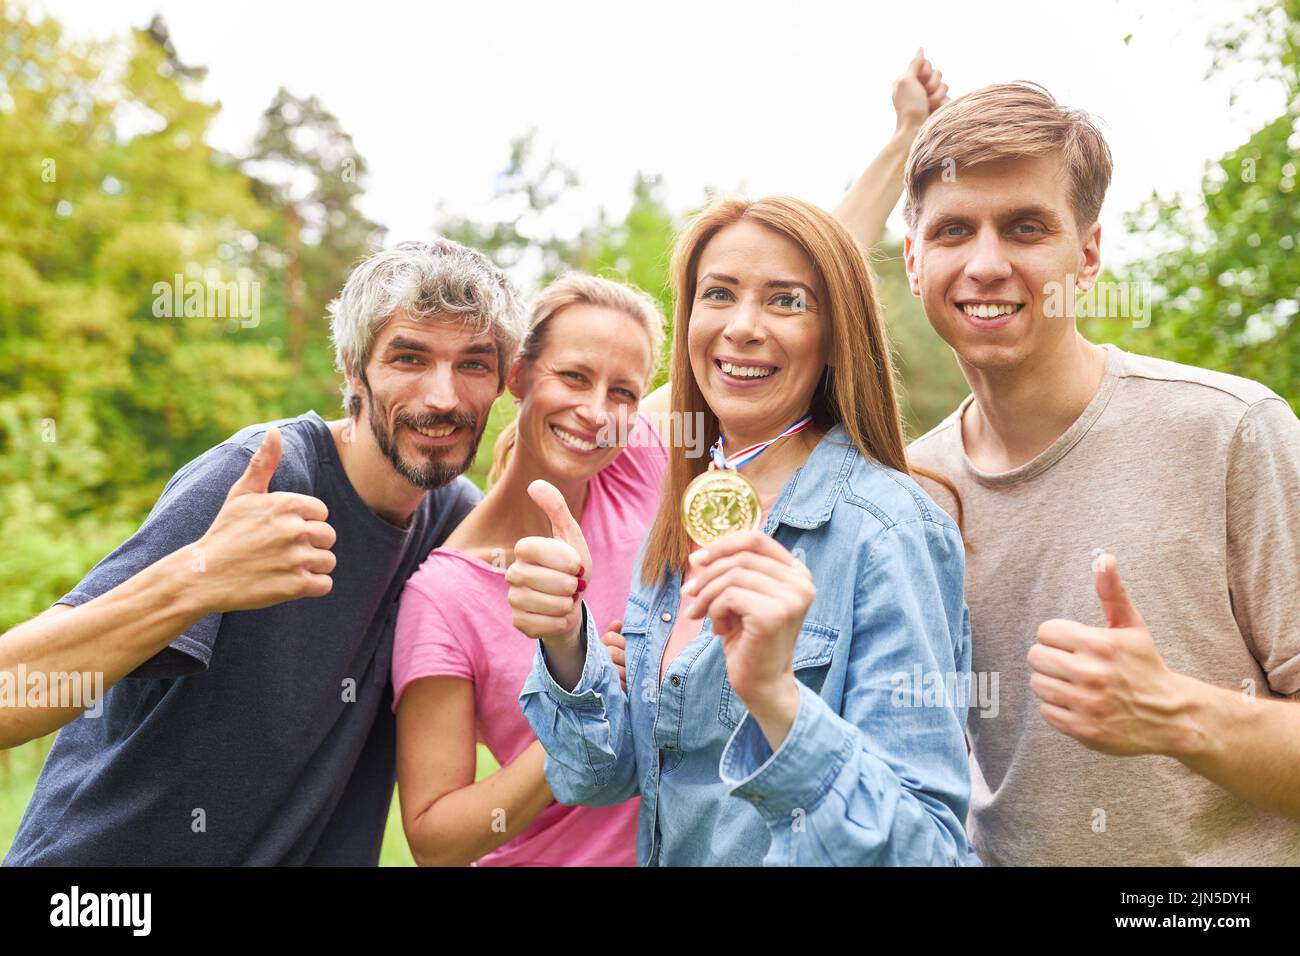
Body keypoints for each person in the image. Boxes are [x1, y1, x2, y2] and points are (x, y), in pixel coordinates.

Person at [2, 239, 523, 865]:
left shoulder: (454, 524)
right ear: (354, 369)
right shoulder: (266, 475)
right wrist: (200, 578)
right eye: (408, 357)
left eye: (473, 364)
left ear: (501, 383)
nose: (442, 397)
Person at [893, 83, 1300, 865]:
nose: (985, 263)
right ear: (915, 262)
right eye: (952, 230)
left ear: (1087, 254)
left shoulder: (1231, 431)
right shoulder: (911, 490)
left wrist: (1177, 713)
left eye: (1025, 227)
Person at [507, 195, 980, 866]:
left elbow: (927, 849)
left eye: (786, 301)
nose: (743, 328)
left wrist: (778, 701)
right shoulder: (683, 518)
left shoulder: (889, 533)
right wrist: (565, 640)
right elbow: (602, 778)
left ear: (836, 335)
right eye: (718, 294)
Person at [391, 274, 666, 866]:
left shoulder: (637, 465)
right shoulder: (443, 595)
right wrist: (582, 698)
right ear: (517, 374)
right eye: (573, 376)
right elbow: (434, 839)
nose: (596, 411)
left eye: (624, 391)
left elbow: (762, 331)